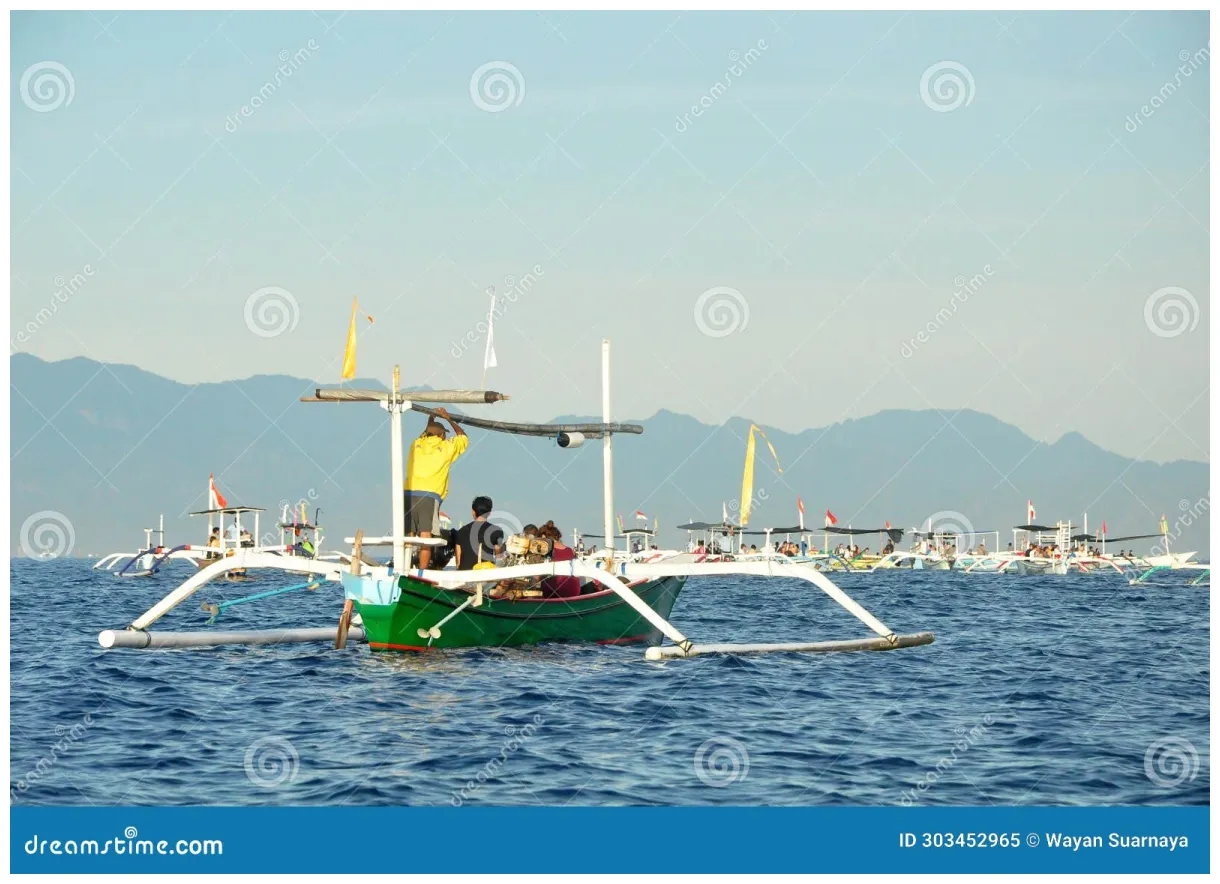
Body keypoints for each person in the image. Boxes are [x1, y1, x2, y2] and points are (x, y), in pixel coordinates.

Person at [404, 408, 468, 569]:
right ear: (441, 435)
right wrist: (448, 419)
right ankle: (422, 573)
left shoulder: (416, 444)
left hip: (408, 492)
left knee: (409, 535)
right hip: (429, 495)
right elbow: (463, 437)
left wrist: (431, 418)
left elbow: (425, 434)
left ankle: (405, 568)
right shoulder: (446, 447)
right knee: (426, 536)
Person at [453, 496, 504, 570]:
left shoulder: (461, 531)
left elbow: (458, 563)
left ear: (473, 512)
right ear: (489, 513)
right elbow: (499, 557)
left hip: (464, 576)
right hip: (485, 575)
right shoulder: (496, 531)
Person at [538, 522, 581, 598]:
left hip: (555, 594)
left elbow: (538, 577)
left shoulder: (547, 551)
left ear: (544, 537)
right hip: (574, 592)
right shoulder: (570, 550)